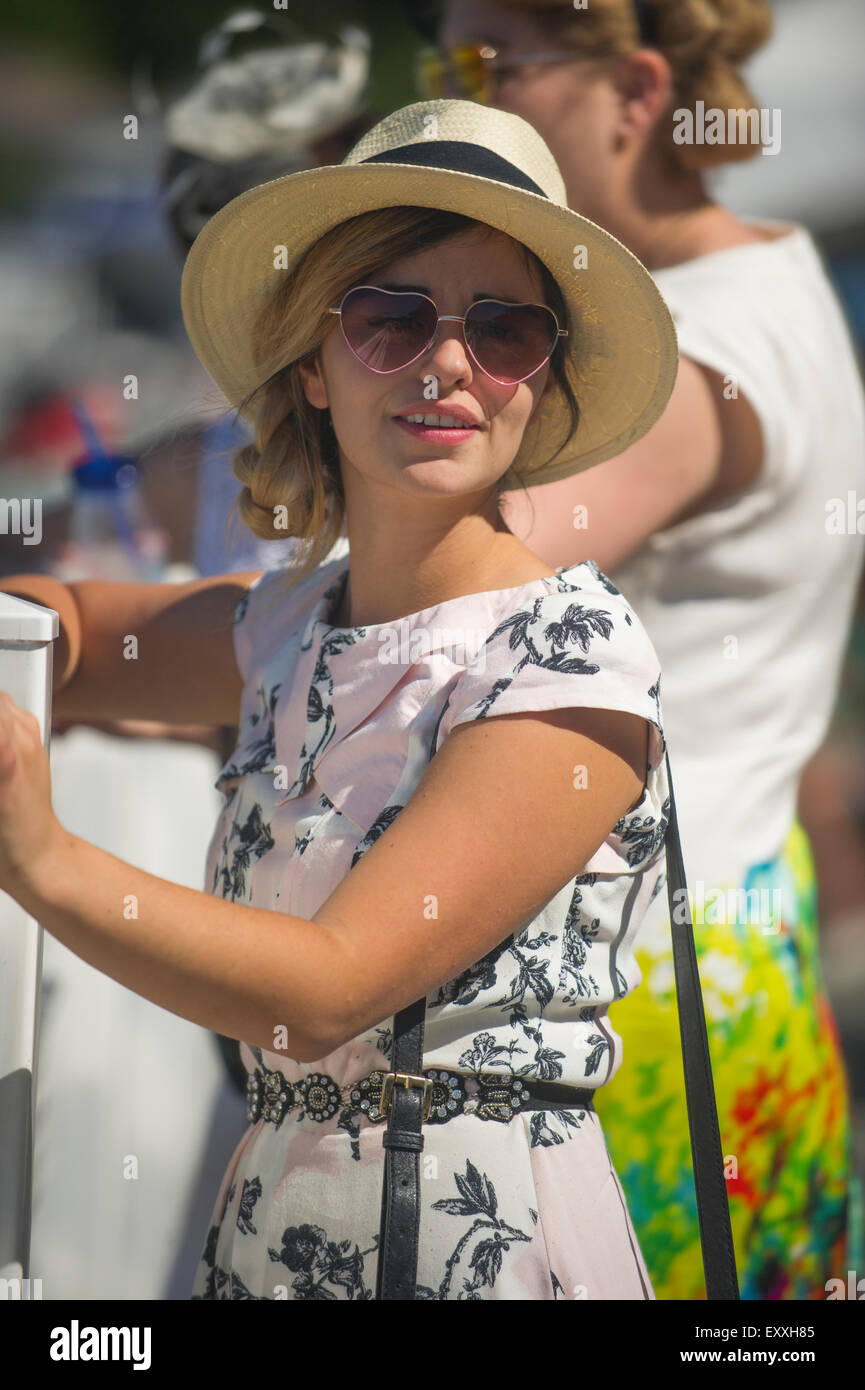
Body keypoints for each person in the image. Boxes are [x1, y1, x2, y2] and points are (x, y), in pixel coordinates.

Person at [0, 98, 680, 1301]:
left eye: (507, 328)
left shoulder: (572, 653)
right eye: (390, 318)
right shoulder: (286, 627)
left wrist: (42, 859)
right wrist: (27, 627)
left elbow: (323, 992)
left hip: (473, 1254)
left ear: (543, 381)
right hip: (269, 1237)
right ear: (312, 366)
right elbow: (83, 627)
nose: (449, 362)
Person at [426, 0, 865, 1298]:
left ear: (634, 90)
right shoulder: (768, 276)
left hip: (648, 998)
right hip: (737, 948)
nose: (464, 98)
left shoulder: (693, 349)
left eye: (485, 65)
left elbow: (433, 578)